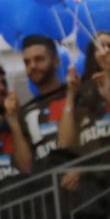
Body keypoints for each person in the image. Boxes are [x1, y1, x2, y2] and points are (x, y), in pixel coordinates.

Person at [58, 32, 110, 155]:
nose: (106, 50)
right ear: (92, 56)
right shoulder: (81, 93)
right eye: (100, 47)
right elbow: (65, 143)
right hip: (93, 167)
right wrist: (71, 93)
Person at [18, 35, 70, 168]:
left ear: (56, 61)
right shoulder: (24, 112)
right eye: (27, 62)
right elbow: (25, 166)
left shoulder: (74, 94)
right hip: (45, 184)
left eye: (39, 59)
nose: (32, 66)